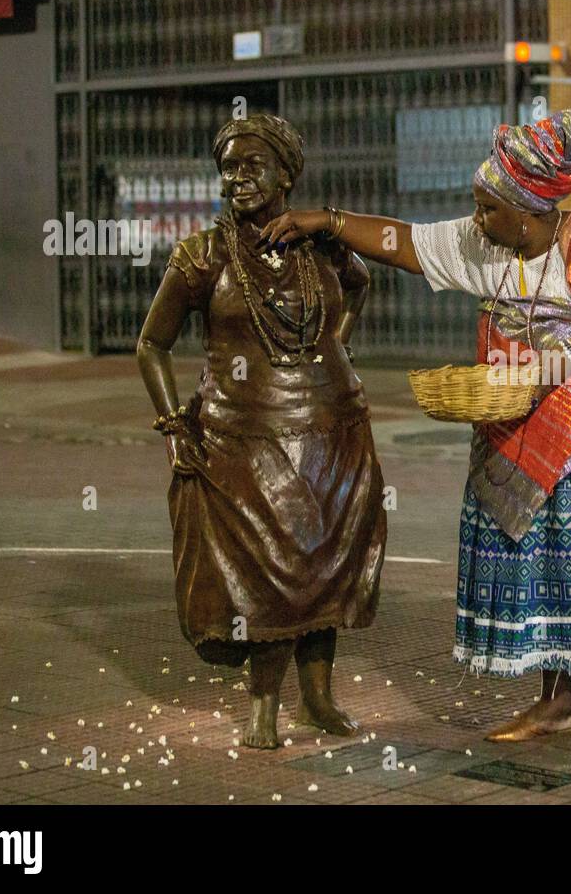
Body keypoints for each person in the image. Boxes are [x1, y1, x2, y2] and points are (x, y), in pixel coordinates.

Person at [260, 109, 571, 748]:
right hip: (532, 420)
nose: (479, 221)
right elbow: (405, 243)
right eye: (478, 208)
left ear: (530, 209)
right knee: (541, 562)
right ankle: (554, 701)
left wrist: (565, 356)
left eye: (489, 209)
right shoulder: (487, 247)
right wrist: (328, 222)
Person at [136, 113, 386, 750]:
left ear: (285, 174)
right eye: (227, 167)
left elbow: (361, 284)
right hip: (242, 440)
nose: (236, 179)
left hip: (333, 430)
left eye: (252, 166)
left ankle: (320, 697)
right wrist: (172, 425)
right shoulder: (204, 254)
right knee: (265, 577)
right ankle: (263, 705)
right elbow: (151, 344)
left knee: (327, 568)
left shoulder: (321, 244)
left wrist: (335, 352)